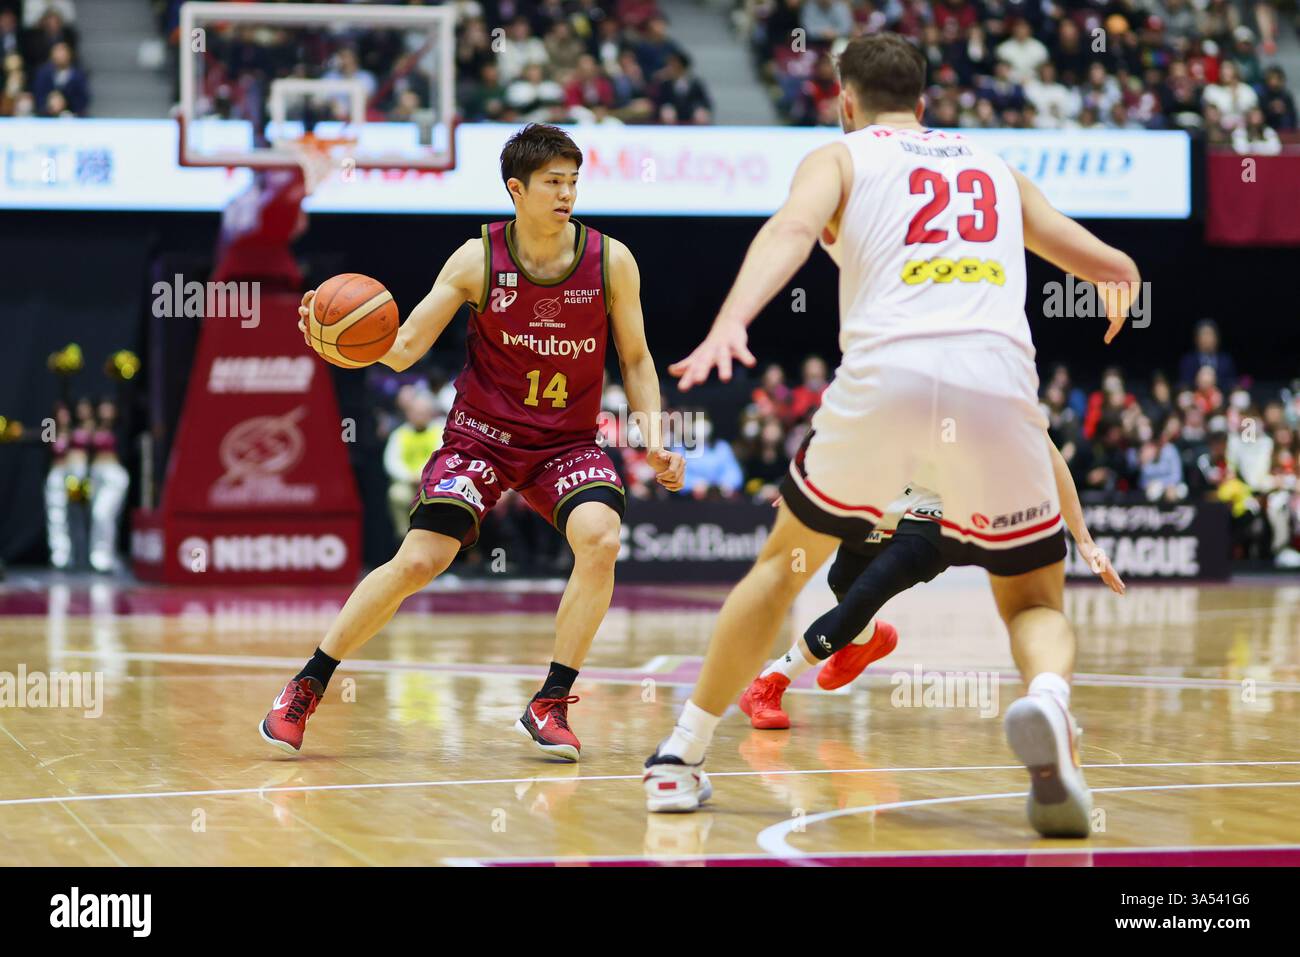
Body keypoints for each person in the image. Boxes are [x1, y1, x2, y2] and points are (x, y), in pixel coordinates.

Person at [641, 34, 1140, 839]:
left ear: (844, 99)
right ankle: (1048, 704)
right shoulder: (994, 168)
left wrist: (733, 318)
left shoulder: (840, 157)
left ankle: (680, 756)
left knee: (778, 569)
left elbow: (791, 230)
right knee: (1032, 601)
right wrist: (1122, 271)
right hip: (996, 379)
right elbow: (1082, 250)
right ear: (926, 98)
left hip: (888, 375)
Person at [262, 124, 686, 761]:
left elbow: (637, 357)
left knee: (600, 538)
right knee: (419, 562)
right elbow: (402, 349)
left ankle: (550, 700)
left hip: (566, 442)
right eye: (553, 182)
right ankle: (307, 683)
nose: (567, 193)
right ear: (517, 189)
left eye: (573, 181)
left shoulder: (611, 260)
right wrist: (333, 343)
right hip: (481, 439)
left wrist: (655, 437)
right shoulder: (476, 259)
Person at [739, 438, 1125, 730]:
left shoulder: (991, 383)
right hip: (881, 499)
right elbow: (828, 419)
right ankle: (864, 641)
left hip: (940, 514)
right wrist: (803, 478)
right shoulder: (891, 364)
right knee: (843, 584)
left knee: (865, 594)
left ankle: (769, 683)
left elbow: (1049, 455)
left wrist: (1086, 541)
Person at [383, 391, 443, 540]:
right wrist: (409, 477)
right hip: (407, 483)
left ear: (430, 413)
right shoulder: (399, 434)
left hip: (433, 483)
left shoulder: (440, 431)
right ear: (408, 414)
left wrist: (423, 476)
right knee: (397, 494)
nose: (419, 416)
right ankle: (404, 536)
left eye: (423, 413)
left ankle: (437, 537)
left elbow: (441, 457)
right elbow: (391, 462)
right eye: (416, 413)